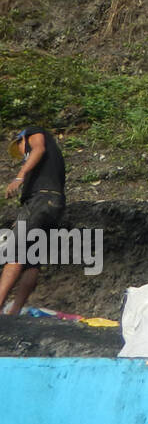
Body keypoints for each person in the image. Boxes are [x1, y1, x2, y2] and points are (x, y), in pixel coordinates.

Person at [1, 126, 67, 314]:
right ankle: (15, 310)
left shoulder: (33, 134)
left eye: (19, 149)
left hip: (40, 200)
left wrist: (19, 177)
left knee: (14, 253)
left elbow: (38, 148)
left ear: (22, 140)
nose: (21, 155)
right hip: (54, 204)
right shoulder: (49, 162)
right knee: (32, 260)